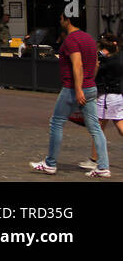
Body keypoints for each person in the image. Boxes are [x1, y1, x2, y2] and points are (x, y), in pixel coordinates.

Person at [31, 12, 109, 176]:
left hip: (73, 88)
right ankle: (103, 167)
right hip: (90, 86)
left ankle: (50, 163)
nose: (60, 21)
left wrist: (79, 88)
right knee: (95, 127)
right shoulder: (89, 39)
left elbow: (77, 64)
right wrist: (89, 82)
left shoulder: (71, 40)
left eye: (61, 18)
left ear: (67, 20)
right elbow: (95, 64)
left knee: (57, 122)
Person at [78, 33, 123, 171]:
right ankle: (94, 158)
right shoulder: (119, 58)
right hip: (118, 96)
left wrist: (97, 63)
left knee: (98, 129)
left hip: (106, 97)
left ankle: (94, 159)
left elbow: (93, 75)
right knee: (118, 125)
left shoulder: (107, 62)